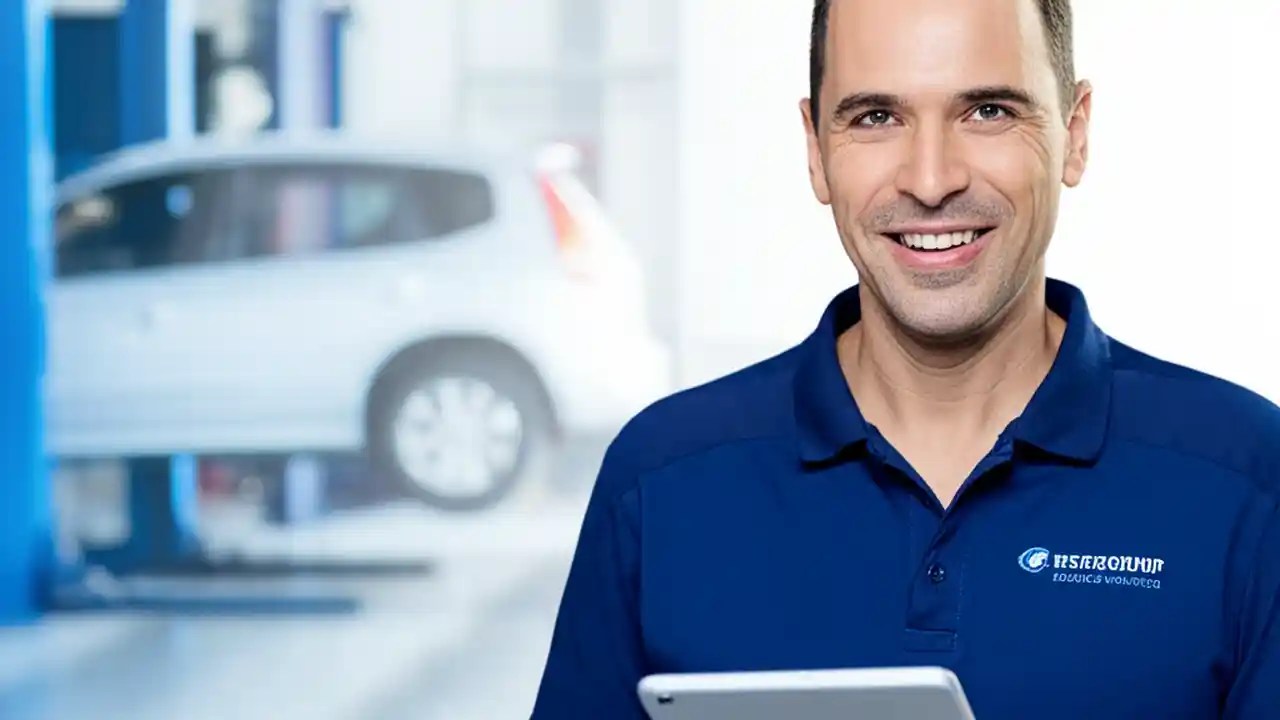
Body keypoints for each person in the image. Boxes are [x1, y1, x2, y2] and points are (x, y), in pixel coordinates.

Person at [531, 0, 1280, 716]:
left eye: (989, 111)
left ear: (1074, 135)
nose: (930, 180)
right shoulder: (662, 483)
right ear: (816, 150)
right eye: (876, 117)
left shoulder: (1247, 480)